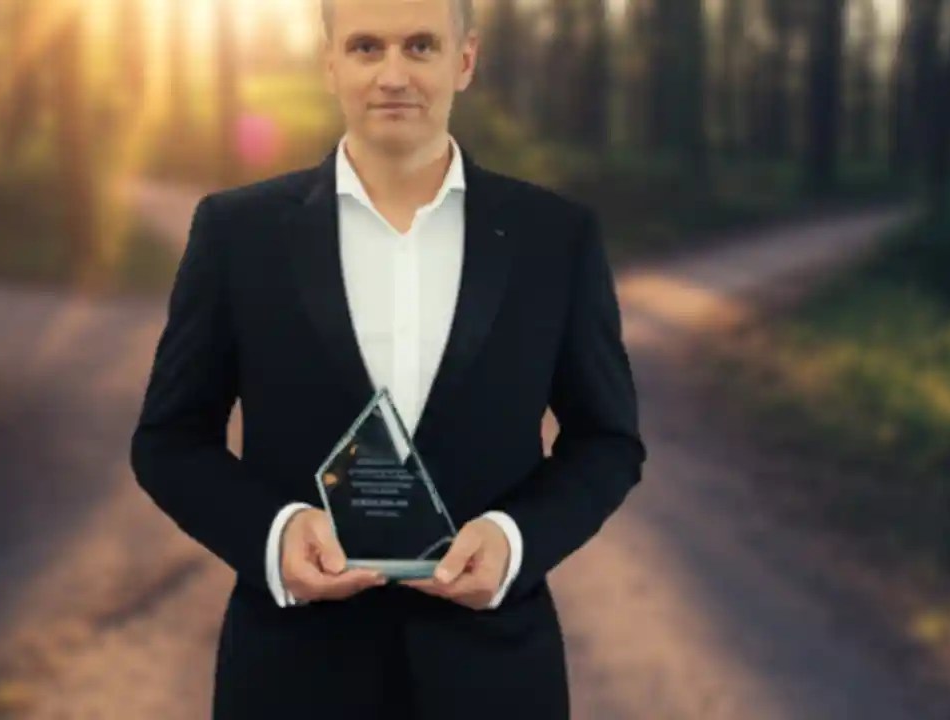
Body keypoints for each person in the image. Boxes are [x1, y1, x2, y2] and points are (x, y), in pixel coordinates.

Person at [129, 0, 647, 717]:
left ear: (464, 59)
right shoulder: (236, 235)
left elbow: (608, 441)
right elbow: (169, 440)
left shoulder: (555, 239)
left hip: (493, 677)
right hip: (292, 676)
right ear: (330, 61)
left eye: (421, 47)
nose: (393, 74)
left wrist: (515, 540)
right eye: (367, 46)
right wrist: (273, 536)